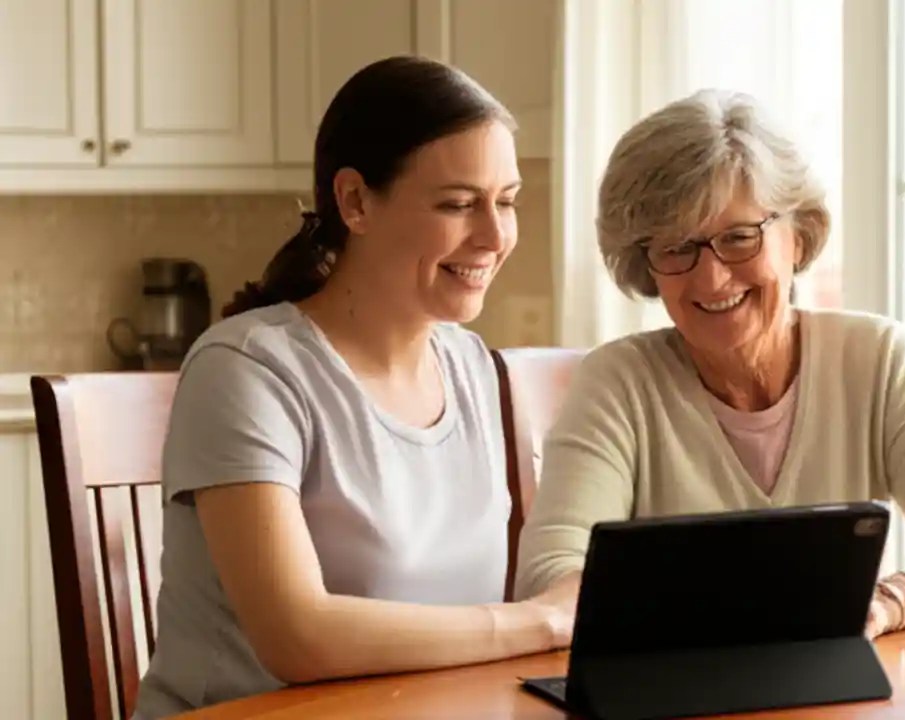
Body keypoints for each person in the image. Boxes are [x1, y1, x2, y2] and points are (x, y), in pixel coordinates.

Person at [133, 56, 575, 719]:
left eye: (506, 201)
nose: (494, 235)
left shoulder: (476, 368)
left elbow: (532, 584)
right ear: (355, 201)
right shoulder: (246, 369)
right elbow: (297, 638)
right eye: (458, 204)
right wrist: (539, 621)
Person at [514, 89, 905, 638]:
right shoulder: (618, 384)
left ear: (799, 235)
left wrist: (889, 602)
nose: (712, 278)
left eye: (739, 238)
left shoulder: (877, 362)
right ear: (646, 264)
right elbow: (550, 580)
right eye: (677, 249)